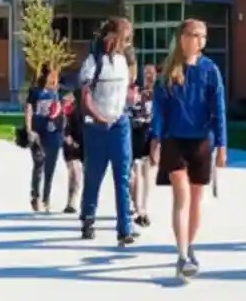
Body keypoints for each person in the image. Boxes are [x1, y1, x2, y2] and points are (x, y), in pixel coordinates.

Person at [150, 19, 227, 281]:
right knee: (181, 196)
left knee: (196, 200)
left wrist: (222, 144)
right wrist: (155, 137)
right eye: (195, 35)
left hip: (201, 141)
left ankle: (189, 246)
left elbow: (219, 108)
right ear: (183, 37)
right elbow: (159, 108)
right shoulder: (170, 70)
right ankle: (182, 256)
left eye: (204, 36)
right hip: (175, 140)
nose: (200, 41)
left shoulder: (210, 70)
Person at [78, 17, 136, 245]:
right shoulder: (93, 61)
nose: (128, 42)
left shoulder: (125, 60)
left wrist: (131, 99)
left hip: (119, 124)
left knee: (122, 176)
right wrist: (98, 116)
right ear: (111, 36)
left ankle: (125, 228)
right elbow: (85, 97)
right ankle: (88, 217)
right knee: (94, 175)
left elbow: (130, 87)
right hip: (97, 127)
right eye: (125, 36)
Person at [25, 65, 66, 213]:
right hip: (38, 132)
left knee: (50, 167)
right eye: (52, 78)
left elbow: (63, 109)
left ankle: (46, 198)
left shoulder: (57, 93)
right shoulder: (35, 92)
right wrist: (29, 129)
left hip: (53, 133)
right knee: (38, 163)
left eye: (56, 79)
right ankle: (35, 196)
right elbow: (28, 109)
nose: (55, 82)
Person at [128, 64, 157, 228]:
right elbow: (130, 111)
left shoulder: (158, 94)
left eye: (152, 74)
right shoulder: (136, 92)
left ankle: (143, 209)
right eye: (146, 73)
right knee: (136, 173)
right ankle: (138, 207)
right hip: (137, 134)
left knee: (148, 174)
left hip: (150, 136)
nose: (149, 76)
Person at [61, 87, 84, 214]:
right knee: (74, 170)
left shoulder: (95, 97)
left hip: (88, 141)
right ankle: (71, 201)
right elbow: (63, 121)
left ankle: (87, 202)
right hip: (71, 140)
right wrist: (67, 137)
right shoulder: (70, 100)